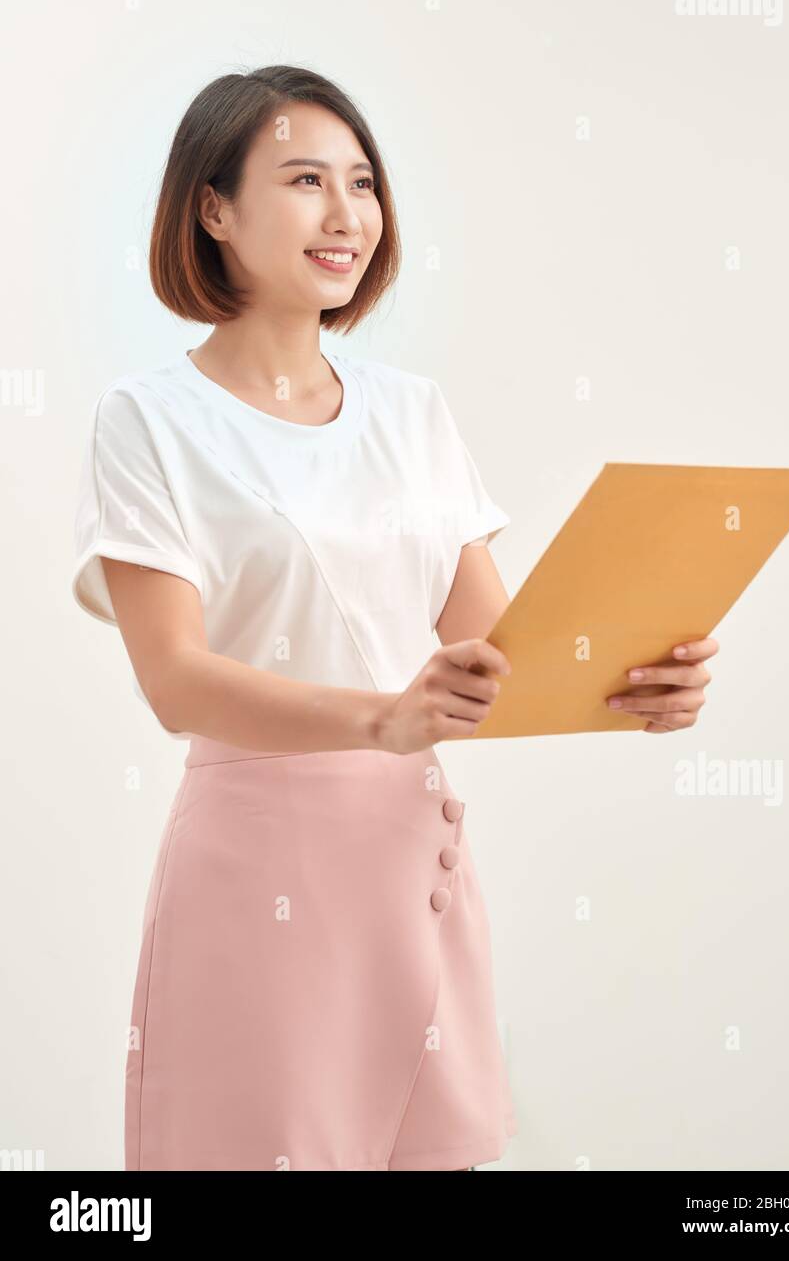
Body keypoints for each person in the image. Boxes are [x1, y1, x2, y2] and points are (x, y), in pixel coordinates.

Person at [71, 65, 519, 1172]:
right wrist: (383, 719)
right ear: (212, 209)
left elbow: (500, 650)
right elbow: (174, 678)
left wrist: (638, 678)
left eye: (362, 182)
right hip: (259, 870)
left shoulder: (412, 413)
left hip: (410, 866)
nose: (347, 215)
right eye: (306, 178)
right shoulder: (150, 421)